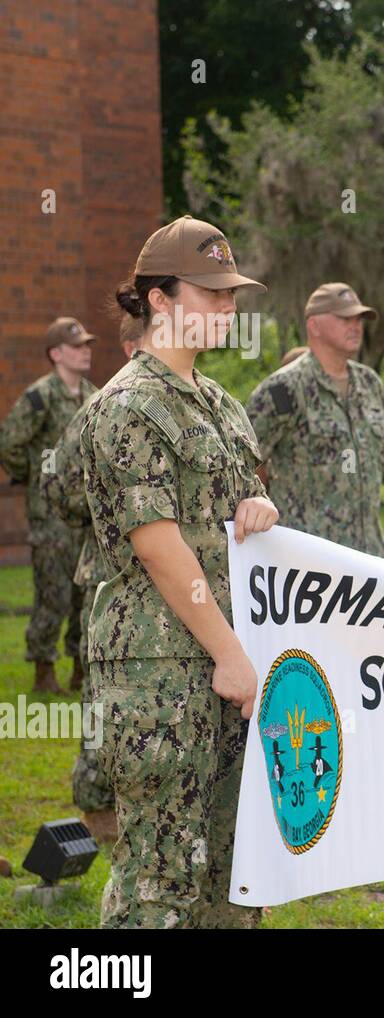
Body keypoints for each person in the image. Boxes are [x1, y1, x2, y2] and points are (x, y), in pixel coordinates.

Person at [80, 214, 278, 928]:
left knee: (236, 870)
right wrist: (231, 657)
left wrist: (258, 508)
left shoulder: (221, 406)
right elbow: (160, 547)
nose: (228, 309)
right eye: (212, 293)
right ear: (159, 299)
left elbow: (222, 516)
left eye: (232, 295)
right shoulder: (131, 406)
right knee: (161, 878)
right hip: (162, 673)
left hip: (229, 666)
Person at [43, 314, 145, 843]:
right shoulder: (95, 411)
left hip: (167, 582)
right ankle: (97, 807)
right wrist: (106, 508)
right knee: (101, 694)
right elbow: (55, 486)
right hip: (106, 575)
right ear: (132, 347)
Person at [245, 282, 384, 557]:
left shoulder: (371, 385)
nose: (356, 325)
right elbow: (246, 468)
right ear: (314, 325)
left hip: (371, 560)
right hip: (309, 561)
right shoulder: (284, 389)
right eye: (345, 318)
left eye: (359, 319)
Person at [0, 317, 98, 693]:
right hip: (49, 517)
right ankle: (43, 668)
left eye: (88, 345)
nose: (85, 351)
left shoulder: (92, 394)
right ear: (55, 353)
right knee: (52, 592)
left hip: (83, 514)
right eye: (77, 346)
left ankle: (79, 666)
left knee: (81, 593)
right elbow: (9, 441)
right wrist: (36, 477)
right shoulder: (40, 396)